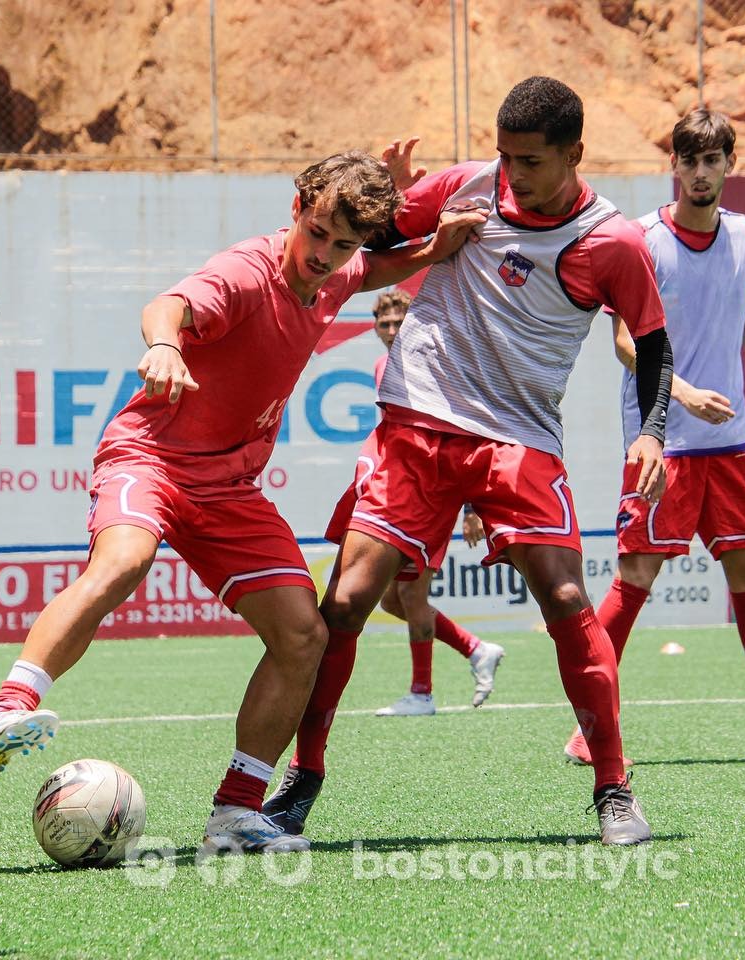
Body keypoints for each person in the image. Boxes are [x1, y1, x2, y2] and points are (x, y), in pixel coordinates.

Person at [0, 152, 484, 857]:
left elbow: (375, 269)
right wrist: (162, 346)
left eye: (344, 244)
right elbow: (169, 306)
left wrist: (431, 247)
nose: (326, 256)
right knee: (125, 560)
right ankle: (10, 707)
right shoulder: (248, 270)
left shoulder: (336, 274)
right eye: (320, 234)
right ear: (297, 205)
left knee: (304, 633)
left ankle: (237, 812)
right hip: (150, 456)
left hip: (228, 488)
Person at [262, 78, 674, 846]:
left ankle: (614, 788)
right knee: (346, 603)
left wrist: (650, 429)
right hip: (416, 420)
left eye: (531, 161)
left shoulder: (612, 243)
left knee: (563, 595)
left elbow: (651, 341)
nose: (511, 173)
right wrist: (402, 208)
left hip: (516, 440)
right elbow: (375, 244)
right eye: (504, 154)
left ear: (575, 155)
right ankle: (301, 780)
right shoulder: (468, 186)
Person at [561, 108, 745, 767]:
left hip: (733, 444)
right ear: (675, 167)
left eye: (713, 159)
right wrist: (680, 391)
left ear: (729, 165)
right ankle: (590, 727)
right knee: (635, 574)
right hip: (661, 442)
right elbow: (626, 341)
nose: (701, 172)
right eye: (690, 160)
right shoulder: (640, 240)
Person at [344, 291, 504, 717]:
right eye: (385, 324)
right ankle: (476, 649)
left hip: (436, 496)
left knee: (411, 596)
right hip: (403, 496)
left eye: (400, 321)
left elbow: (463, 430)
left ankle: (422, 693)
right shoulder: (383, 368)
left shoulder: (435, 362)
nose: (392, 330)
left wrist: (472, 509)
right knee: (392, 601)